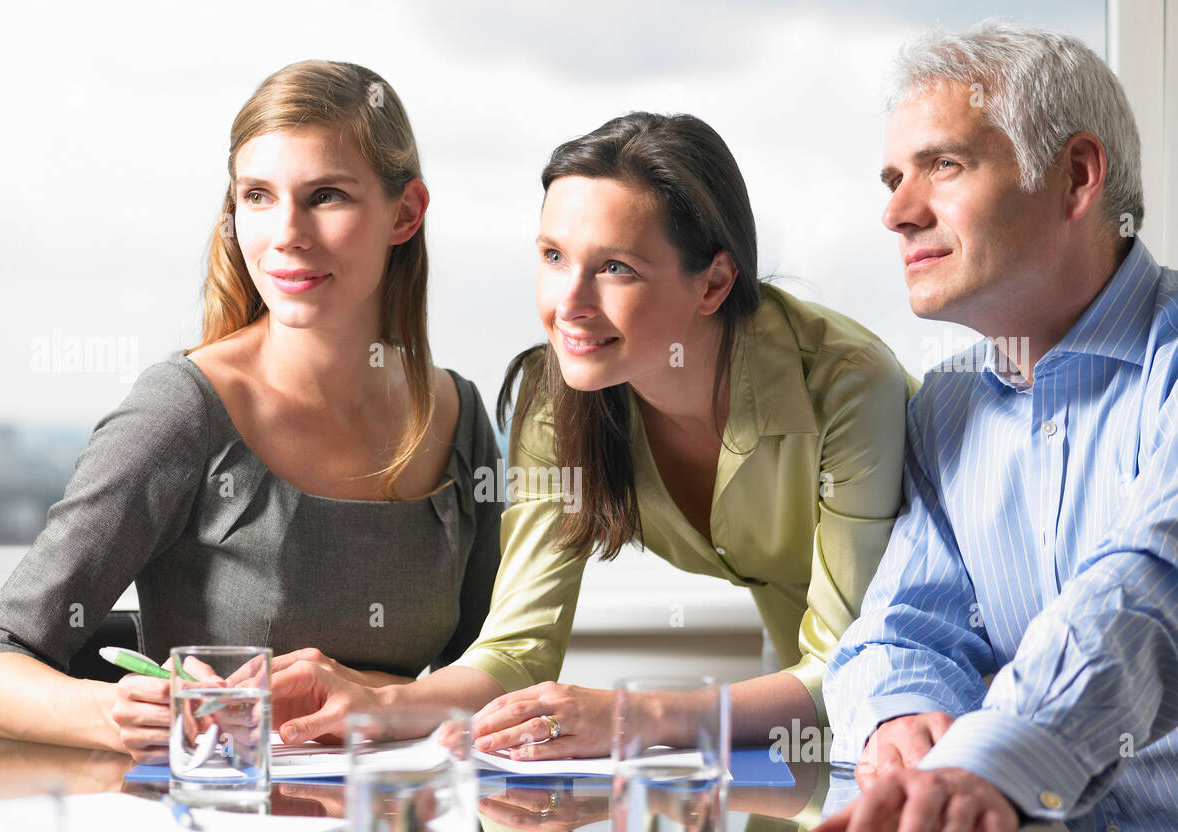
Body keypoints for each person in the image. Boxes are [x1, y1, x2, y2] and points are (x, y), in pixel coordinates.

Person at [269, 111, 913, 757]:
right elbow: (519, 647)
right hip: (790, 705)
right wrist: (380, 703)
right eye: (553, 256)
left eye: (615, 267)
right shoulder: (556, 396)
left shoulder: (846, 383)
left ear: (714, 282)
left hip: (933, 693)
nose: (569, 303)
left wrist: (641, 716)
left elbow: (853, 666)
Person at [0, 60, 504, 761]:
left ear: (406, 213)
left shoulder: (460, 415)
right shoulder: (184, 409)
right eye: (258, 196)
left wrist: (375, 694)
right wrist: (112, 711)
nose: (287, 233)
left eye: (326, 196)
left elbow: (493, 675)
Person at [808, 21, 1178, 832]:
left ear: (1077, 177)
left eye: (942, 165)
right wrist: (899, 713)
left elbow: (1146, 593)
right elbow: (902, 629)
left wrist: (985, 762)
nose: (897, 212)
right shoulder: (948, 407)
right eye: (892, 181)